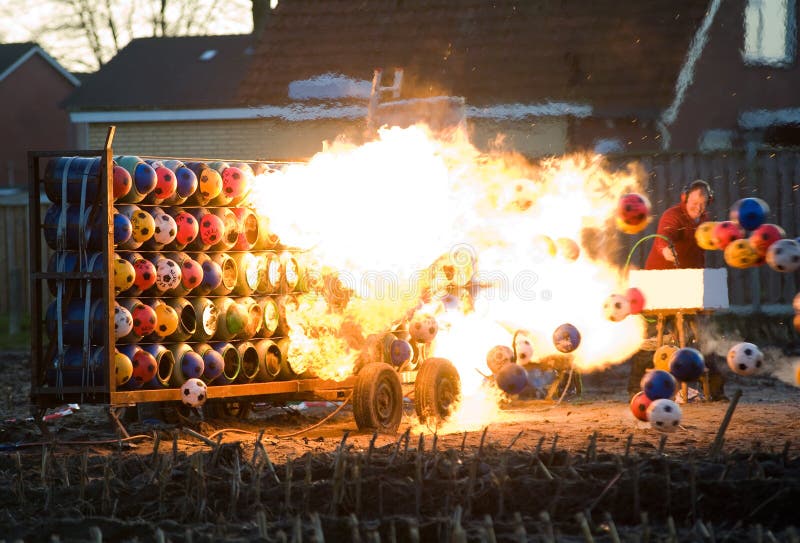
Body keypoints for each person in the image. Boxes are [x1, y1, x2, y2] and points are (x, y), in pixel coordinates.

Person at [627, 179, 727, 401]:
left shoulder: (706, 221)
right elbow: (665, 237)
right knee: (653, 339)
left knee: (703, 337)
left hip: (690, 285)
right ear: (685, 199)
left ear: (708, 203)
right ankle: (636, 388)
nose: (698, 208)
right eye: (694, 203)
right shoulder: (673, 216)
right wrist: (666, 251)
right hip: (661, 284)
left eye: (702, 204)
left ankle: (716, 392)